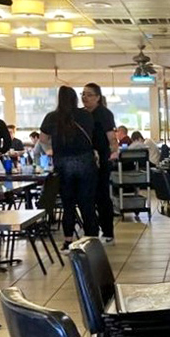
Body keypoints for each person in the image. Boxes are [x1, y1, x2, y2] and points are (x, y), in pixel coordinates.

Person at [40, 85, 99, 249]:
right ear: (75, 98)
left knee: (68, 204)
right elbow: (92, 134)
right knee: (87, 203)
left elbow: (42, 140)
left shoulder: (52, 117)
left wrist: (51, 149)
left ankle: (68, 240)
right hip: (85, 162)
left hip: (63, 164)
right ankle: (91, 240)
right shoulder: (86, 115)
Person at [81, 82, 118, 243]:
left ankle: (108, 231)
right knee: (87, 196)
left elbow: (112, 138)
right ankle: (91, 231)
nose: (85, 97)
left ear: (97, 97)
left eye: (89, 94)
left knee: (102, 196)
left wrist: (113, 152)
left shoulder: (104, 114)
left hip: (102, 160)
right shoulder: (80, 114)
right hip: (84, 161)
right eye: (83, 94)